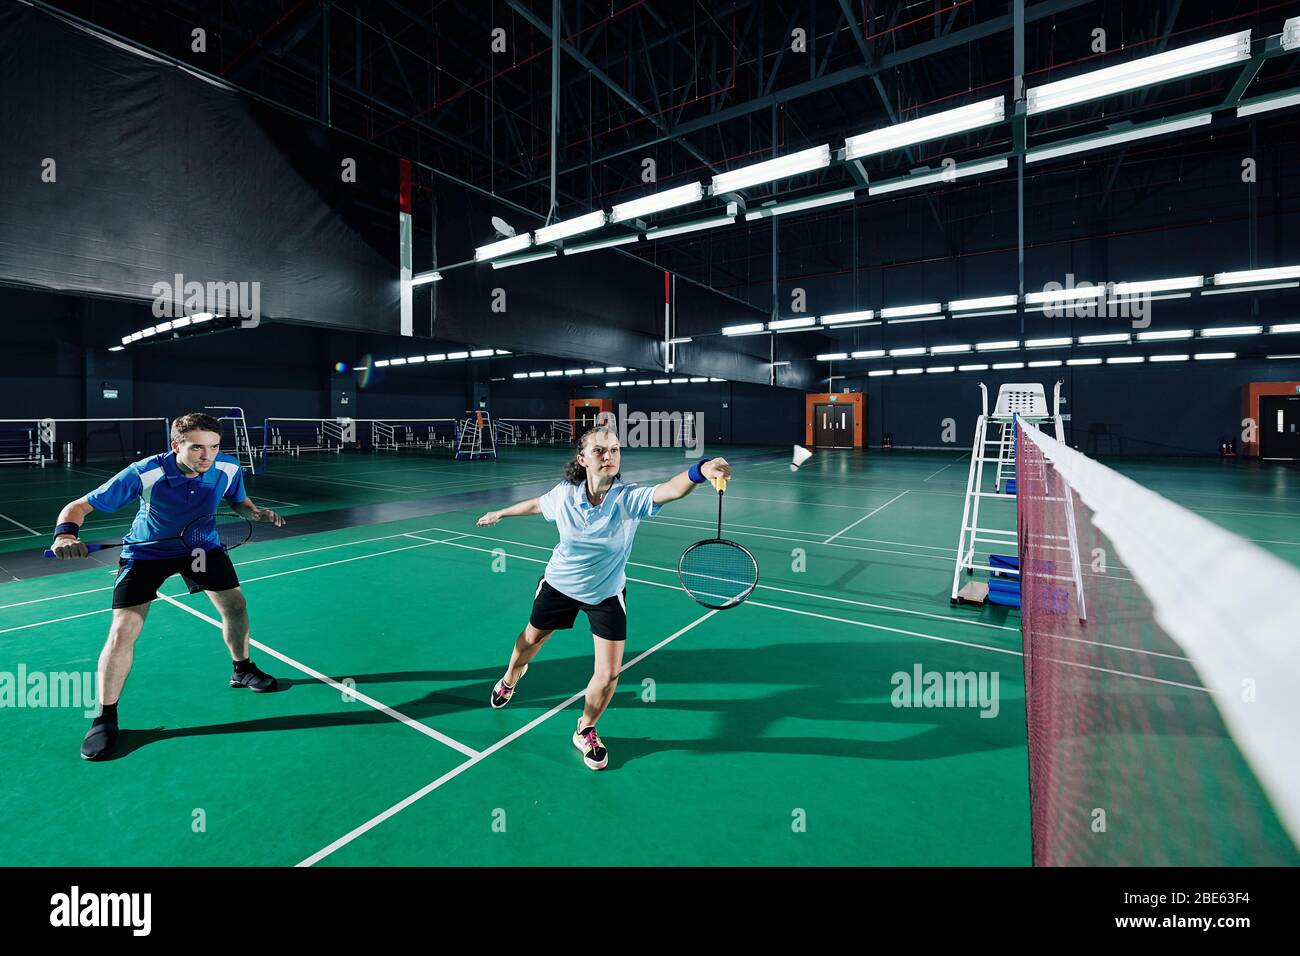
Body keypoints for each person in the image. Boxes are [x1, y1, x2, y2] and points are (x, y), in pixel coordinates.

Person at [476, 425, 731, 770]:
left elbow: (669, 490)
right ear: (582, 459)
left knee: (610, 674)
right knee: (532, 639)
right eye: (599, 450)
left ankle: (585, 728)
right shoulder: (565, 495)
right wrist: (501, 513)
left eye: (614, 450)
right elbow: (538, 504)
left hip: (606, 593)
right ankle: (510, 677)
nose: (608, 456)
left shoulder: (628, 499)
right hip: (559, 585)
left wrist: (700, 470)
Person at [49, 412, 285, 760]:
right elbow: (78, 507)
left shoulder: (229, 468)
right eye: (197, 448)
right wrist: (65, 535)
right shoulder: (146, 472)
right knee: (123, 630)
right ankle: (105, 718)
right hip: (147, 552)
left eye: (214, 447)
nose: (207, 456)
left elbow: (239, 501)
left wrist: (256, 513)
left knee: (235, 605)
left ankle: (243, 669)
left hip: (201, 547)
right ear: (176, 445)